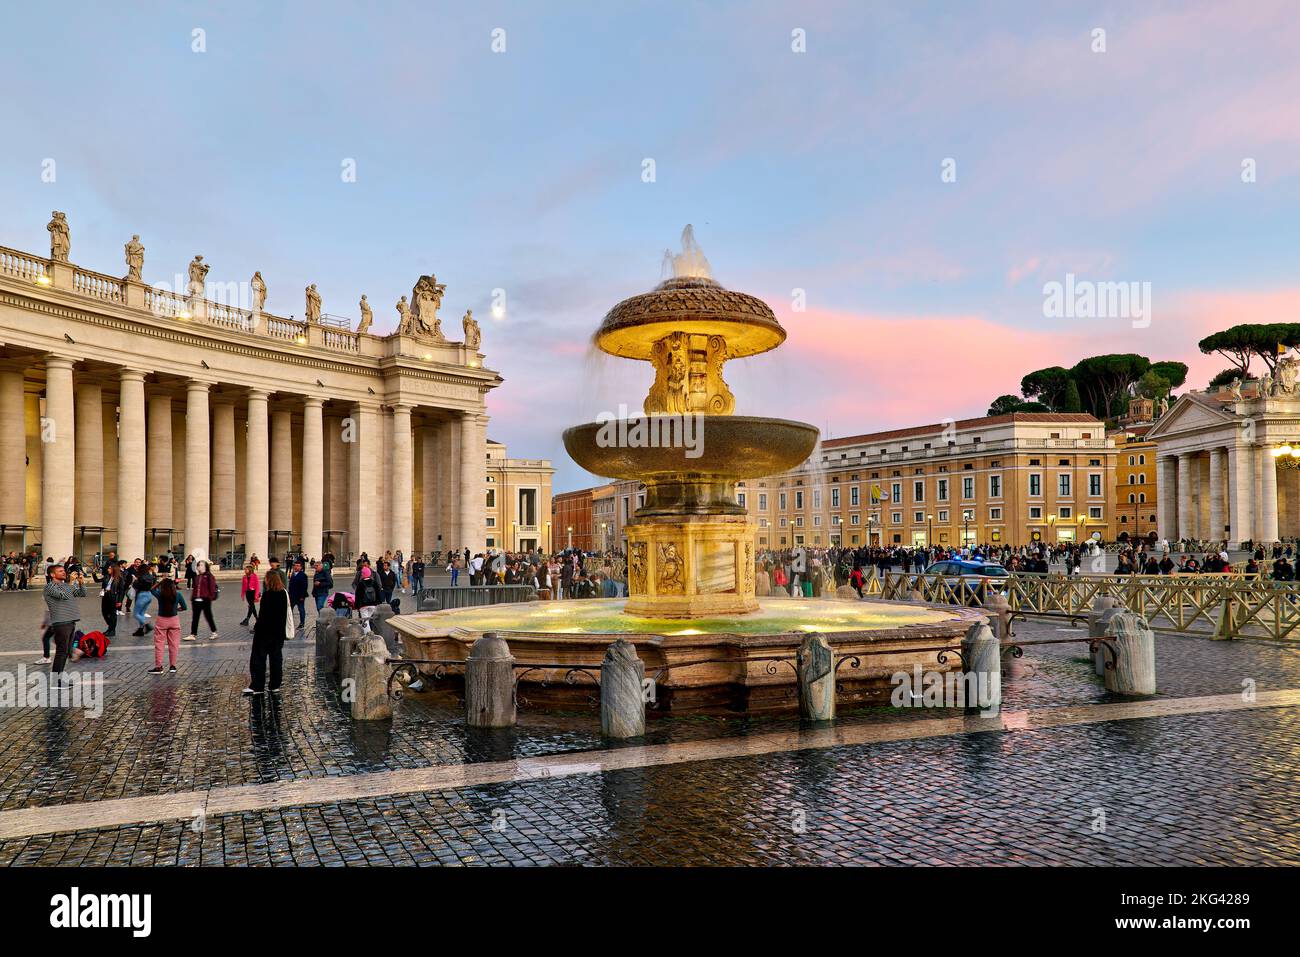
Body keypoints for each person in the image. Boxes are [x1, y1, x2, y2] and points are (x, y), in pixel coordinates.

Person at [245, 568, 288, 696]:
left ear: (269, 580)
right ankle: (275, 685)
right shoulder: (283, 594)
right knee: (276, 659)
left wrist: (257, 627)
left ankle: (257, 686)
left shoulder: (268, 595)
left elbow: (263, 616)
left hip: (265, 633)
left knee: (258, 659)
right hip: (278, 632)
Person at [44, 564, 86, 679]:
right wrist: (71, 583)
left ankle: (59, 679)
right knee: (61, 652)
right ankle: (56, 681)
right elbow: (64, 596)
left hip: (70, 622)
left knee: (66, 651)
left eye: (64, 571)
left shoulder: (66, 585)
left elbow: (82, 593)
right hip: (61, 622)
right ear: (52, 574)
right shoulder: (50, 587)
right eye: (60, 571)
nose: (64, 573)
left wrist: (81, 582)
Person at [148, 577, 187, 674]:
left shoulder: (160, 595)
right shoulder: (178, 595)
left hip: (162, 620)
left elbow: (152, 589)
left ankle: (159, 667)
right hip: (174, 620)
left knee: (159, 644)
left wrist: (160, 582)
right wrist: (177, 609)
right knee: (174, 645)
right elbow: (184, 607)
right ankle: (173, 666)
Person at [186, 559, 220, 641]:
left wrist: (209, 598)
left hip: (205, 600)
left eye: (201, 565)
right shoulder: (197, 577)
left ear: (205, 567)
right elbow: (195, 588)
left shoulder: (209, 576)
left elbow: (212, 588)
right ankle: (193, 634)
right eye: (198, 565)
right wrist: (192, 598)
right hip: (196, 600)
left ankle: (214, 632)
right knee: (195, 617)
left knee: (208, 616)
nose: (199, 567)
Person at [130, 562, 156, 636]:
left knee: (136, 613)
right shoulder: (151, 576)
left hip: (142, 595)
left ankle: (146, 625)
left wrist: (135, 581)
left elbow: (137, 586)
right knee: (141, 613)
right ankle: (140, 630)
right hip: (149, 595)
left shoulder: (141, 577)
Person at [288, 560, 309, 630]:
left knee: (301, 609)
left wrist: (302, 596)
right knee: (289, 610)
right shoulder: (293, 574)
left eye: (297, 566)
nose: (296, 567)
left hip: (300, 596)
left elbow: (304, 586)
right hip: (292, 596)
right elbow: (290, 586)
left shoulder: (303, 575)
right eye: (295, 565)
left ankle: (302, 623)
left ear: (301, 567)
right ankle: (289, 623)